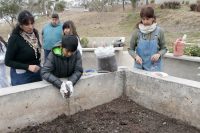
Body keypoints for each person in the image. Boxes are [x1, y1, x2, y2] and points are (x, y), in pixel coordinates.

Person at [5, 10, 42, 86]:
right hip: (22, 76)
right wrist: (28, 67)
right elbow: (8, 61)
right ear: (20, 25)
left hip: (36, 71)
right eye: (27, 24)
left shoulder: (34, 33)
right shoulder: (15, 38)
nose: (30, 27)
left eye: (32, 23)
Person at [128, 6, 167, 71]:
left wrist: (158, 54)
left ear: (153, 18)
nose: (145, 22)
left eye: (147, 19)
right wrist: (136, 57)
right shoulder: (136, 32)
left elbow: (164, 49)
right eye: (143, 19)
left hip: (155, 68)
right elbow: (130, 49)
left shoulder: (160, 31)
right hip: (139, 68)